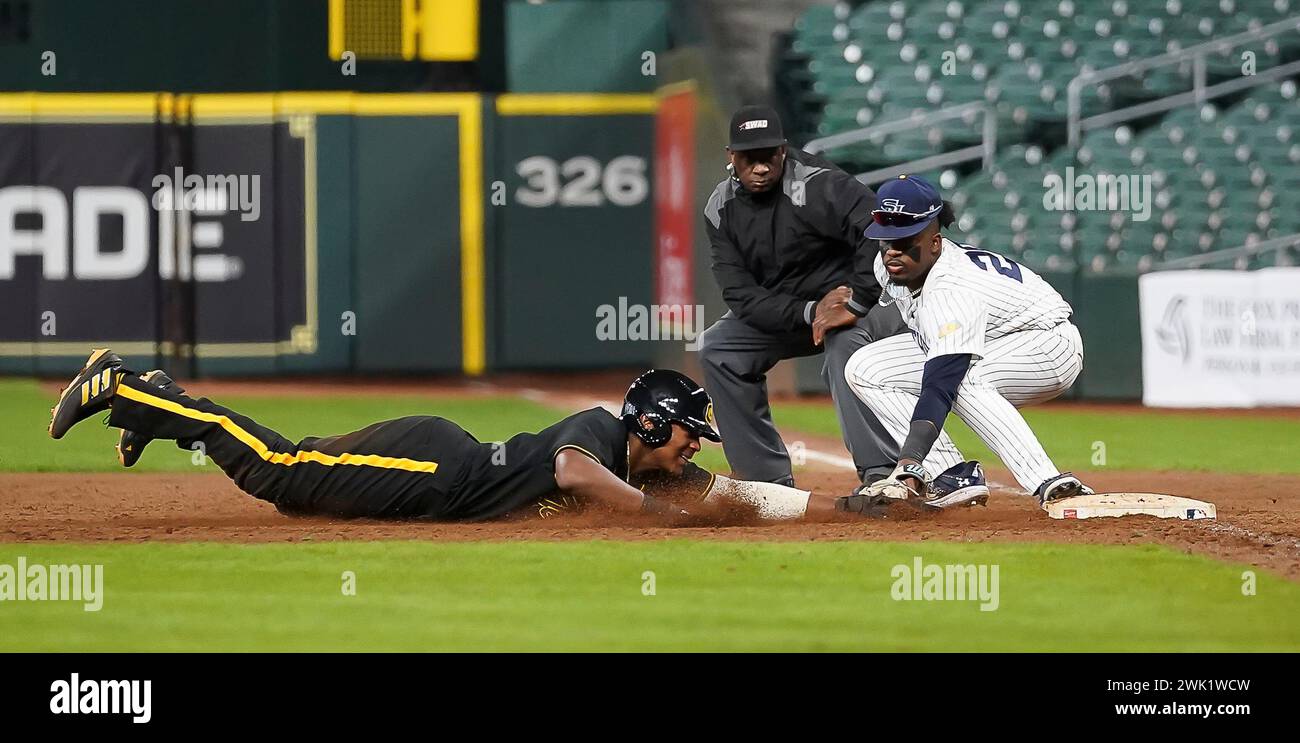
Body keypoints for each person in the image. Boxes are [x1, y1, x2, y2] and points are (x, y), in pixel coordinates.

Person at [47, 351, 882, 523]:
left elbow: (734, 493)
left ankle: (156, 406)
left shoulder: (645, 466)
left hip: (437, 468)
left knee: (301, 496)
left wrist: (842, 508)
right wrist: (656, 515)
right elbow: (567, 468)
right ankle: (129, 386)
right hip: (434, 470)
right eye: (689, 435)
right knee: (279, 469)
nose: (695, 448)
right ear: (652, 424)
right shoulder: (598, 435)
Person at [844, 175, 1094, 509]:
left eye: (903, 241)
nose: (892, 251)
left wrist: (908, 460)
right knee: (865, 368)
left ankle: (1048, 481)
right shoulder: (887, 265)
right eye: (885, 239)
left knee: (965, 378)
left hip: (1047, 345)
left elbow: (942, 383)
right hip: (994, 340)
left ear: (935, 243)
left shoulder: (952, 288)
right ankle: (952, 474)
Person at [698, 104, 906, 489]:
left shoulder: (819, 183)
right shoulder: (721, 208)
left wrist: (857, 301)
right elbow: (739, 294)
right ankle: (764, 482)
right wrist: (810, 311)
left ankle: (883, 476)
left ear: (782, 151)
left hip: (859, 302)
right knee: (720, 348)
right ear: (731, 157)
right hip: (795, 311)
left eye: (768, 157)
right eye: (749, 158)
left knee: (847, 348)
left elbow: (878, 230)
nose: (760, 168)